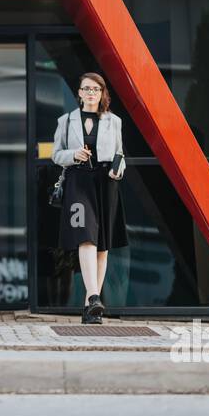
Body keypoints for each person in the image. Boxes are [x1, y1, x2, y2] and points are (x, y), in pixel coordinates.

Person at [53, 71, 127, 323]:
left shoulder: (113, 121)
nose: (91, 93)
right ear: (80, 93)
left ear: (102, 93)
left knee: (102, 246)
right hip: (79, 182)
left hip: (106, 183)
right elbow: (56, 155)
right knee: (86, 237)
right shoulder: (66, 121)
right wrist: (74, 155)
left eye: (96, 89)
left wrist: (118, 169)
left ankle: (89, 307)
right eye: (87, 89)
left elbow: (120, 154)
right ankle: (95, 295)